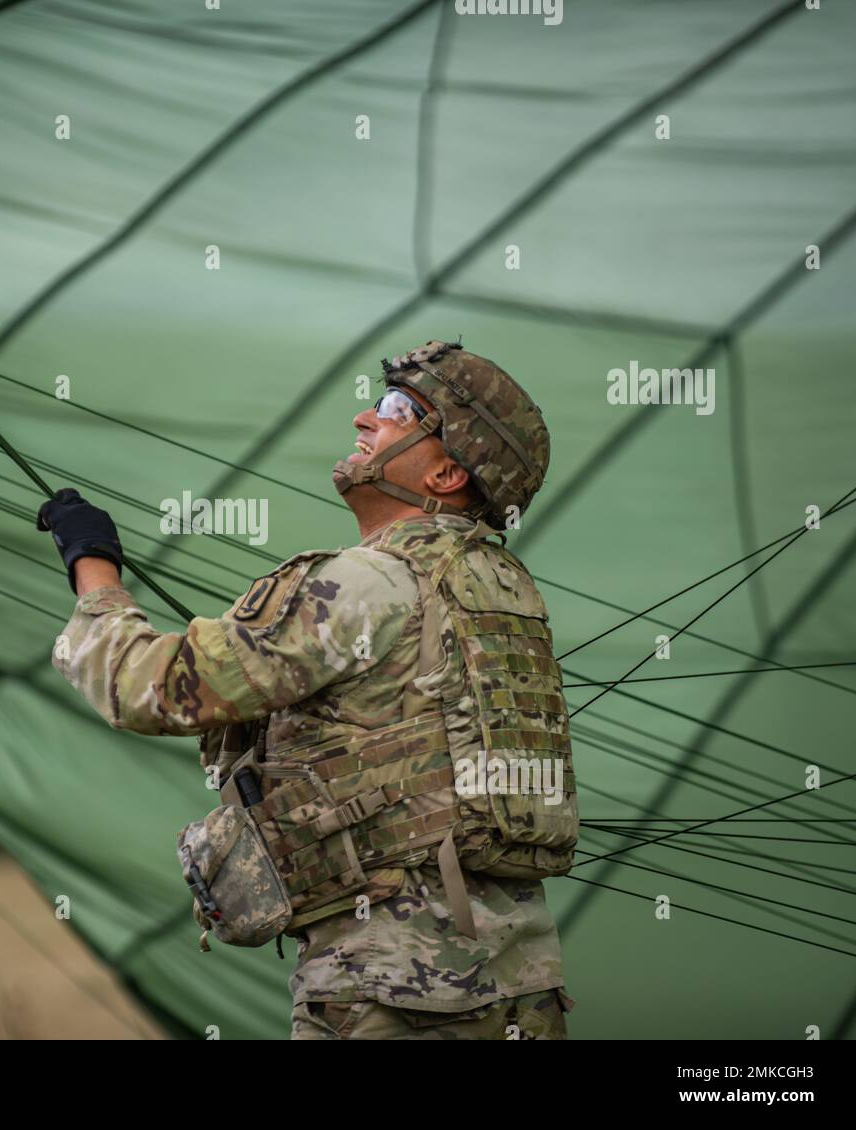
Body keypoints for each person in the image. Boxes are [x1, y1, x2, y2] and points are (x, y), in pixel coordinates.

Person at [37, 340, 577, 1040]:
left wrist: (93, 566)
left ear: (446, 472)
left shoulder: (368, 583)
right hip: (523, 993)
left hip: (391, 990)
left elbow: (148, 687)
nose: (364, 418)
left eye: (398, 410)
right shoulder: (509, 593)